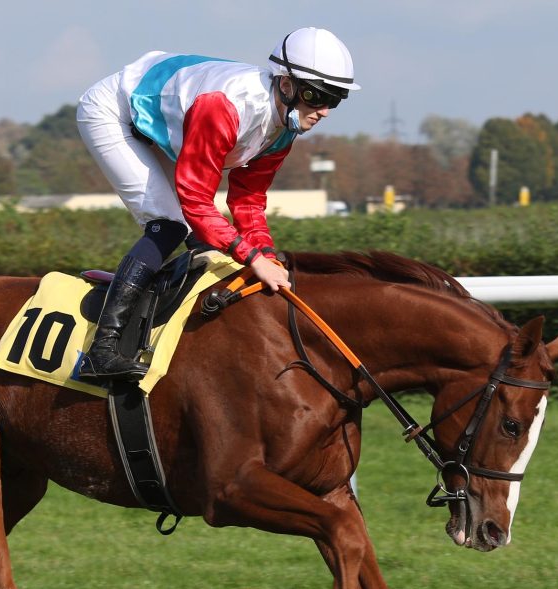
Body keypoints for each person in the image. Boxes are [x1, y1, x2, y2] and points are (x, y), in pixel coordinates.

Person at [75, 27, 359, 381]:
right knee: (170, 225)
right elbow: (196, 201)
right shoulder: (223, 108)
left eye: (335, 100)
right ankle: (101, 350)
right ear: (285, 85)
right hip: (114, 114)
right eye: (316, 96)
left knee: (207, 242)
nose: (324, 111)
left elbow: (249, 202)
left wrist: (267, 255)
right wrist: (252, 257)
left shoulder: (283, 128)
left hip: (165, 125)